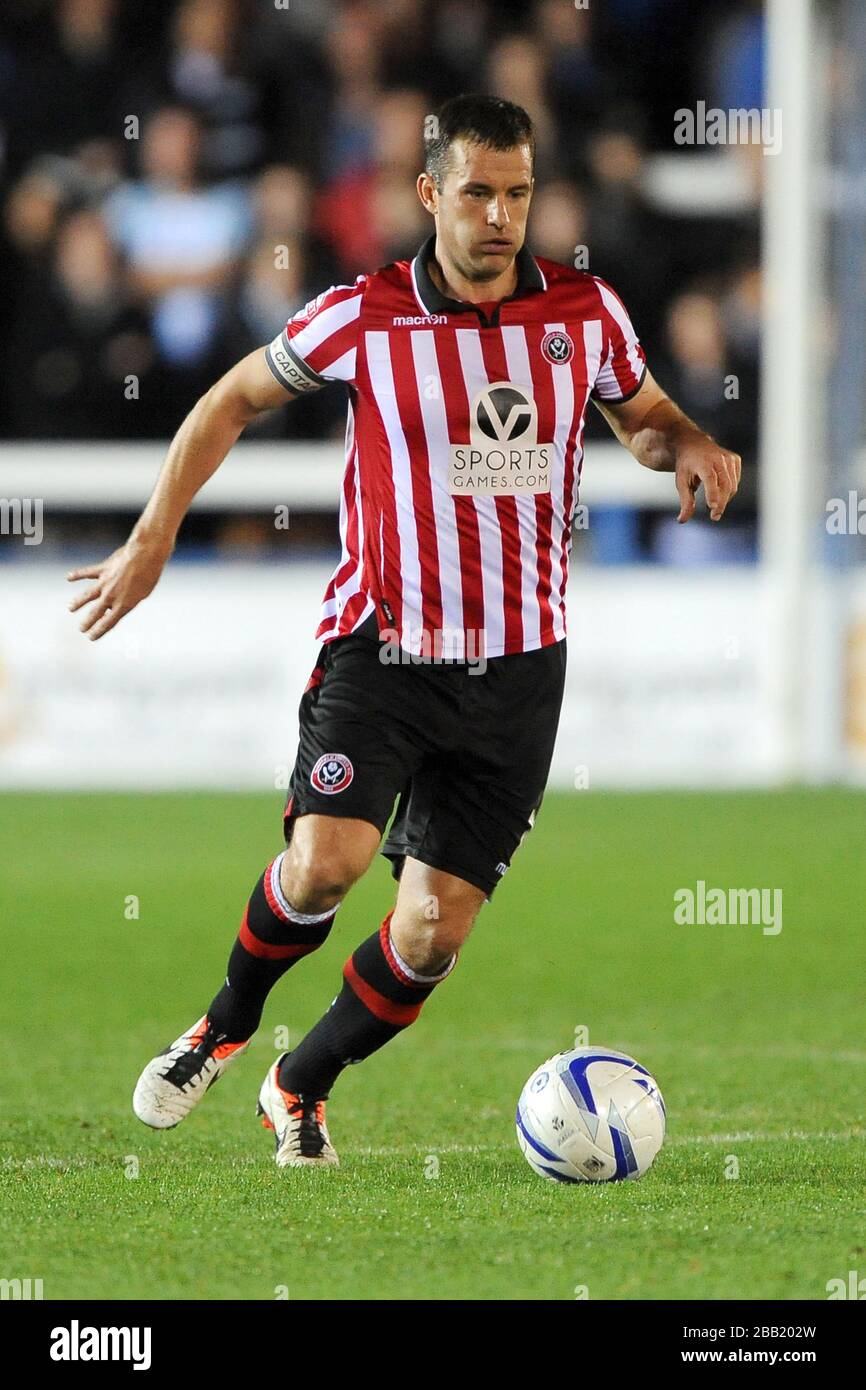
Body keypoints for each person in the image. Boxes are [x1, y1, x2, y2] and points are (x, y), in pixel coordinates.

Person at [68, 95, 740, 1168]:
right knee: (324, 865)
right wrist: (153, 538)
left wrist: (691, 445)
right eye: (476, 192)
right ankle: (226, 1022)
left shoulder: (583, 315)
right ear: (429, 193)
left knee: (433, 930)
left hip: (519, 665)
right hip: (385, 644)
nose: (498, 216)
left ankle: (299, 1084)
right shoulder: (363, 315)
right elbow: (230, 398)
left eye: (516, 193)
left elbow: (645, 419)